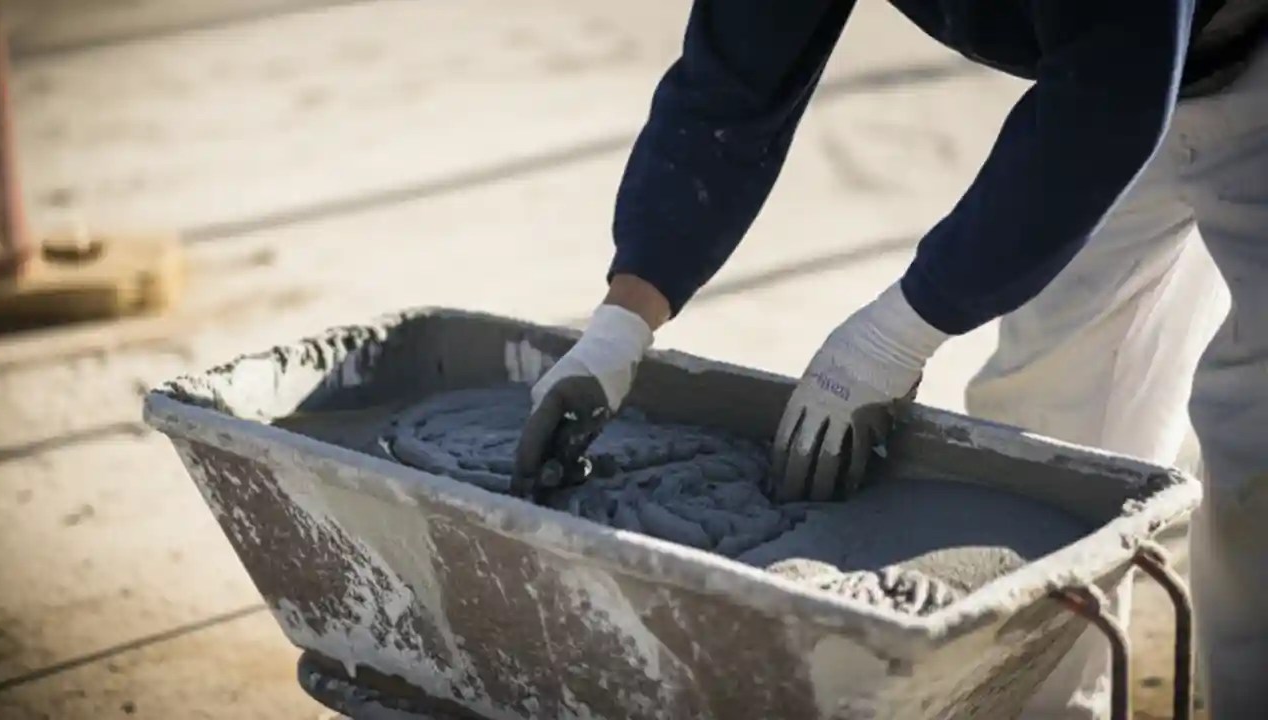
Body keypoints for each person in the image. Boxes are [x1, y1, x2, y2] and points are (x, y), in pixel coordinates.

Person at [514, 1, 1267, 717]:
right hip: (1104, 79)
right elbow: (734, 84)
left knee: (1256, 446)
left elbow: (1116, 93)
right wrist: (622, 321)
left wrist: (899, 331)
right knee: (1050, 423)